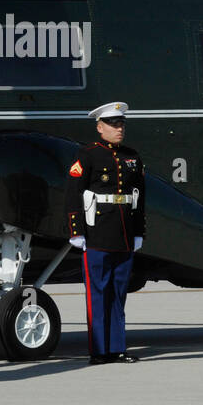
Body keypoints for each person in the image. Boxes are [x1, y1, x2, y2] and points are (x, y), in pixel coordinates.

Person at [66, 102, 146, 364]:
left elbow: (139, 197)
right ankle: (99, 350)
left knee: (118, 292)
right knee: (98, 293)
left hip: (123, 232)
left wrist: (138, 232)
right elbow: (74, 194)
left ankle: (116, 348)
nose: (119, 128)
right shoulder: (88, 155)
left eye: (121, 123)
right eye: (113, 124)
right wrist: (77, 231)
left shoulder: (132, 157)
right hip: (97, 231)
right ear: (100, 127)